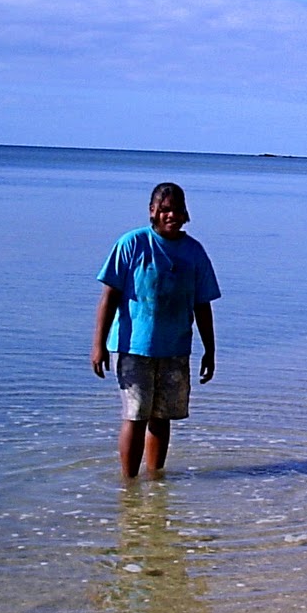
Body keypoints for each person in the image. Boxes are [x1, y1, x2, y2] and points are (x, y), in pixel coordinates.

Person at [91, 182, 220, 478]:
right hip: (133, 347)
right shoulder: (132, 244)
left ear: (185, 212)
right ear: (152, 211)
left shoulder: (194, 252)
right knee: (135, 416)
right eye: (164, 209)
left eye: (176, 209)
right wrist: (98, 345)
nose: (171, 215)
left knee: (163, 418)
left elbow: (202, 305)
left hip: (175, 348)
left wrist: (210, 351)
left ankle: (155, 481)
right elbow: (109, 297)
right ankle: (129, 486)